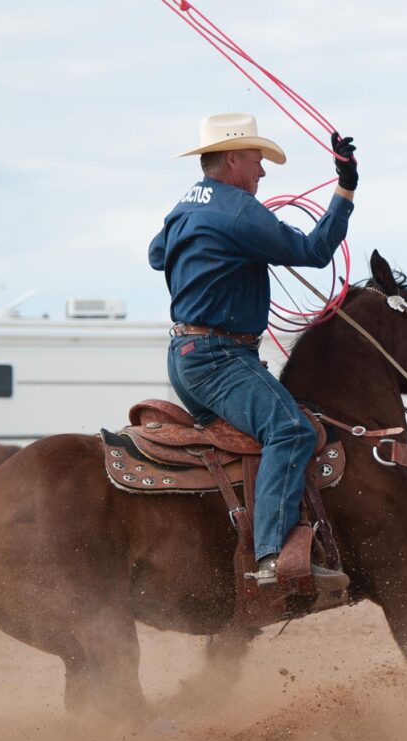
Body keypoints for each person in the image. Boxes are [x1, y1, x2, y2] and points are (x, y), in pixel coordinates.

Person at [149, 112, 358, 589]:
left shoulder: (186, 207)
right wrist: (345, 189)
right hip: (220, 358)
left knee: (253, 437)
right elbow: (313, 250)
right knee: (290, 430)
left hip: (187, 357)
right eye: (257, 159)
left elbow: (157, 255)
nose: (263, 171)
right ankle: (271, 557)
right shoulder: (240, 212)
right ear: (232, 158)